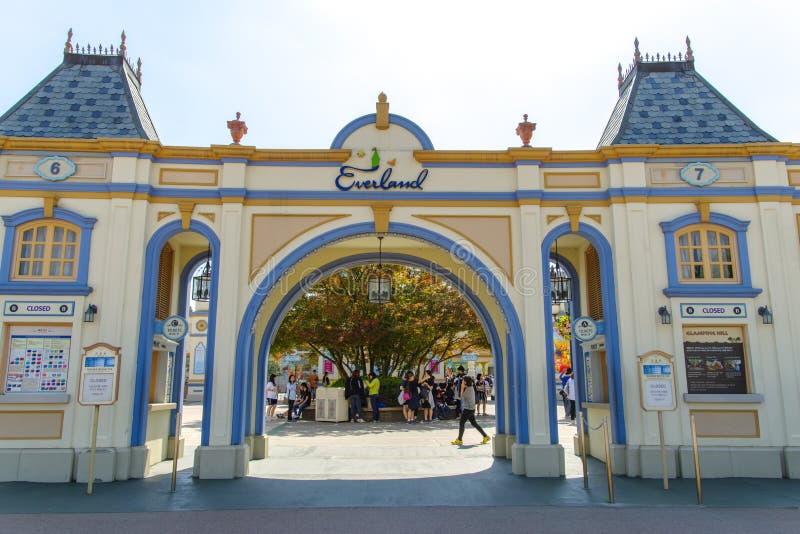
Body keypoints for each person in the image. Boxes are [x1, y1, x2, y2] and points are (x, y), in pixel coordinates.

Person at [451, 376, 490, 445]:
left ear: (465, 382)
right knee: (474, 423)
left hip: (468, 409)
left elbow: (461, 397)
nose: (462, 382)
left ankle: (459, 439)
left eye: (463, 381)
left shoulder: (468, 389)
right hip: (471, 409)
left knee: (461, 423)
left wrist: (462, 388)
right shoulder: (470, 388)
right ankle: (485, 436)